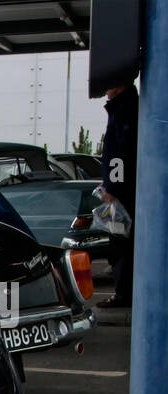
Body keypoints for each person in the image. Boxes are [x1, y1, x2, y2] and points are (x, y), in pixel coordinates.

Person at [99, 80, 138, 308]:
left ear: (120, 84)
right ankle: (125, 291)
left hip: (122, 194)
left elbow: (119, 155)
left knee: (120, 243)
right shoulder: (125, 108)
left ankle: (124, 293)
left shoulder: (123, 111)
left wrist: (113, 188)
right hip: (123, 190)